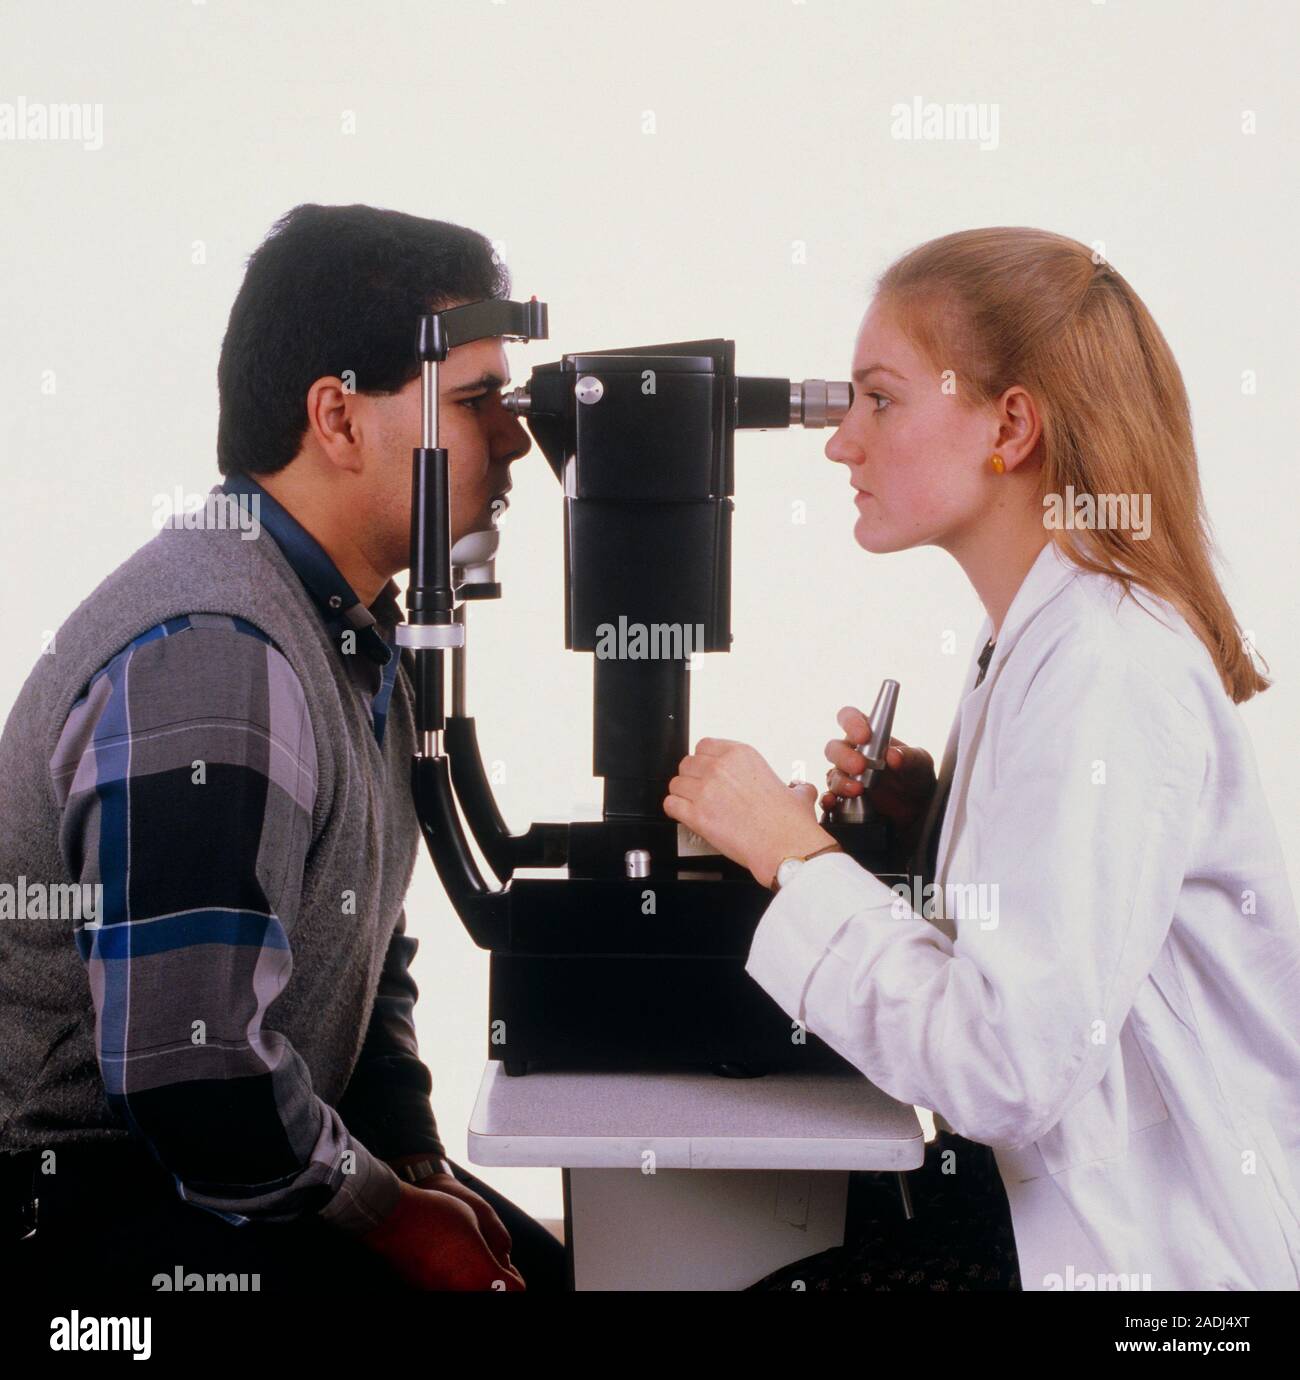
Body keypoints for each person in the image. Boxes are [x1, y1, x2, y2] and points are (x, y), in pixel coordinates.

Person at [663, 227, 1300, 1291]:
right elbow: (1069, 949)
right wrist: (936, 828)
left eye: (880, 399)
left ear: (1009, 425)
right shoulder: (1048, 635)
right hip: (1049, 1223)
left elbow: (1005, 1068)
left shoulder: (1107, 662)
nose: (841, 443)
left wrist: (799, 863)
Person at [0, 203, 565, 1292]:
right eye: (478, 402)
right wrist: (387, 1219)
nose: (517, 442)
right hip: (98, 1210)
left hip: (245, 1159)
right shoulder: (217, 648)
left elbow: (360, 931)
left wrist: (403, 1143)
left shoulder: (350, 624)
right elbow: (194, 1070)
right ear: (338, 419)